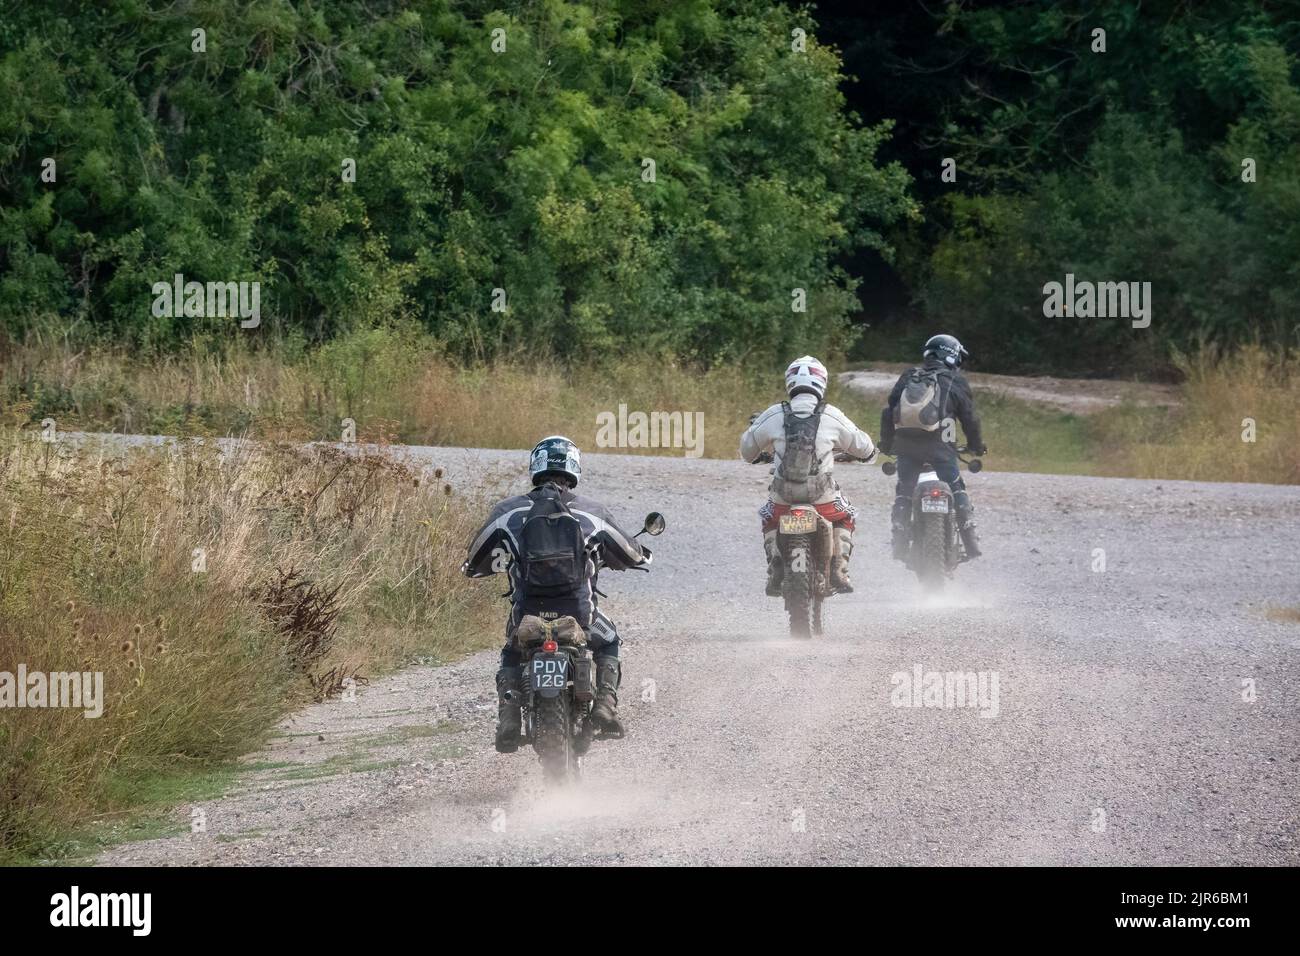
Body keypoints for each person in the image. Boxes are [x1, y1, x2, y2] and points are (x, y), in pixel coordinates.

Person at [462, 436, 650, 752]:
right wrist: (640, 556)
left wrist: (476, 568)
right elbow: (630, 553)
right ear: (574, 468)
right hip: (581, 615)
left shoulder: (507, 511)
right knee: (610, 640)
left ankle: (509, 716)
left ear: (535, 466)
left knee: (511, 651)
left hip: (526, 615)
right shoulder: (592, 512)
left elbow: (476, 560)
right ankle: (605, 702)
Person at [740, 355, 876, 596]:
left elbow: (747, 450)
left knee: (767, 517)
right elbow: (863, 447)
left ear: (789, 382)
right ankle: (839, 569)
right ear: (822, 382)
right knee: (847, 515)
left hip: (783, 497)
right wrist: (867, 454)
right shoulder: (831, 414)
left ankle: (775, 566)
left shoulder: (774, 414)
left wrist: (759, 453)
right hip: (823, 497)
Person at [878, 334, 987, 561]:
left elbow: (889, 412)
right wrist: (976, 446)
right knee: (956, 486)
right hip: (942, 449)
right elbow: (970, 419)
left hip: (907, 448)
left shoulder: (909, 376)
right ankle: (970, 538)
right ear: (953, 357)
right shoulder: (955, 381)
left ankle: (899, 537)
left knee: (905, 490)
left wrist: (887, 445)